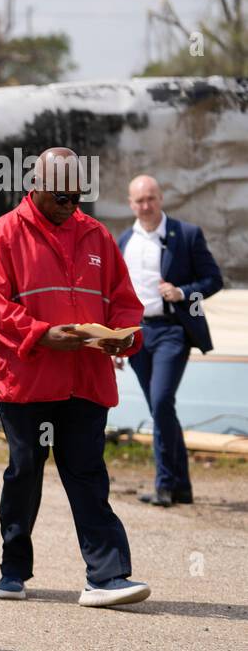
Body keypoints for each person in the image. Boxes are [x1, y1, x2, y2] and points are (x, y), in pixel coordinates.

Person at [0, 147, 150, 609]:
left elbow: (125, 302)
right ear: (35, 187)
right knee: (25, 471)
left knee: (89, 473)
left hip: (85, 381)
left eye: (77, 197)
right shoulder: (4, 235)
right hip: (28, 384)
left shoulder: (97, 236)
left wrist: (124, 338)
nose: (71, 206)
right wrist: (41, 334)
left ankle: (107, 576)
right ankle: (13, 569)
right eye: (61, 197)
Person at [117, 175, 223, 507]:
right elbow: (117, 295)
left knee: (161, 402)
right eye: (139, 200)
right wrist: (116, 340)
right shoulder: (123, 242)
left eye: (151, 198)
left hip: (172, 330)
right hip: (137, 333)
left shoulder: (186, 235)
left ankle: (164, 485)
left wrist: (182, 292)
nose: (146, 206)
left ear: (161, 198)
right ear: (130, 204)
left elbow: (213, 279)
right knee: (160, 408)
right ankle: (183, 487)